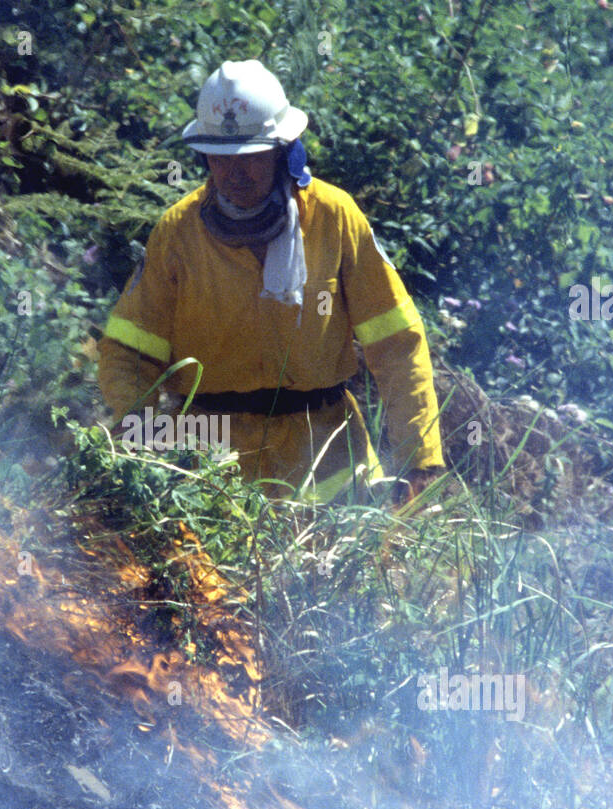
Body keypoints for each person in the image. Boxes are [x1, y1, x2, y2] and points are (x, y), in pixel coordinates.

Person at [96, 59, 444, 503]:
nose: (233, 173)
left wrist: (422, 459)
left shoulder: (334, 217)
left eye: (249, 157)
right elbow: (129, 352)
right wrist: (141, 442)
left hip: (330, 460)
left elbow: (397, 346)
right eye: (219, 158)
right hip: (212, 468)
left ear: (283, 148)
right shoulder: (178, 232)